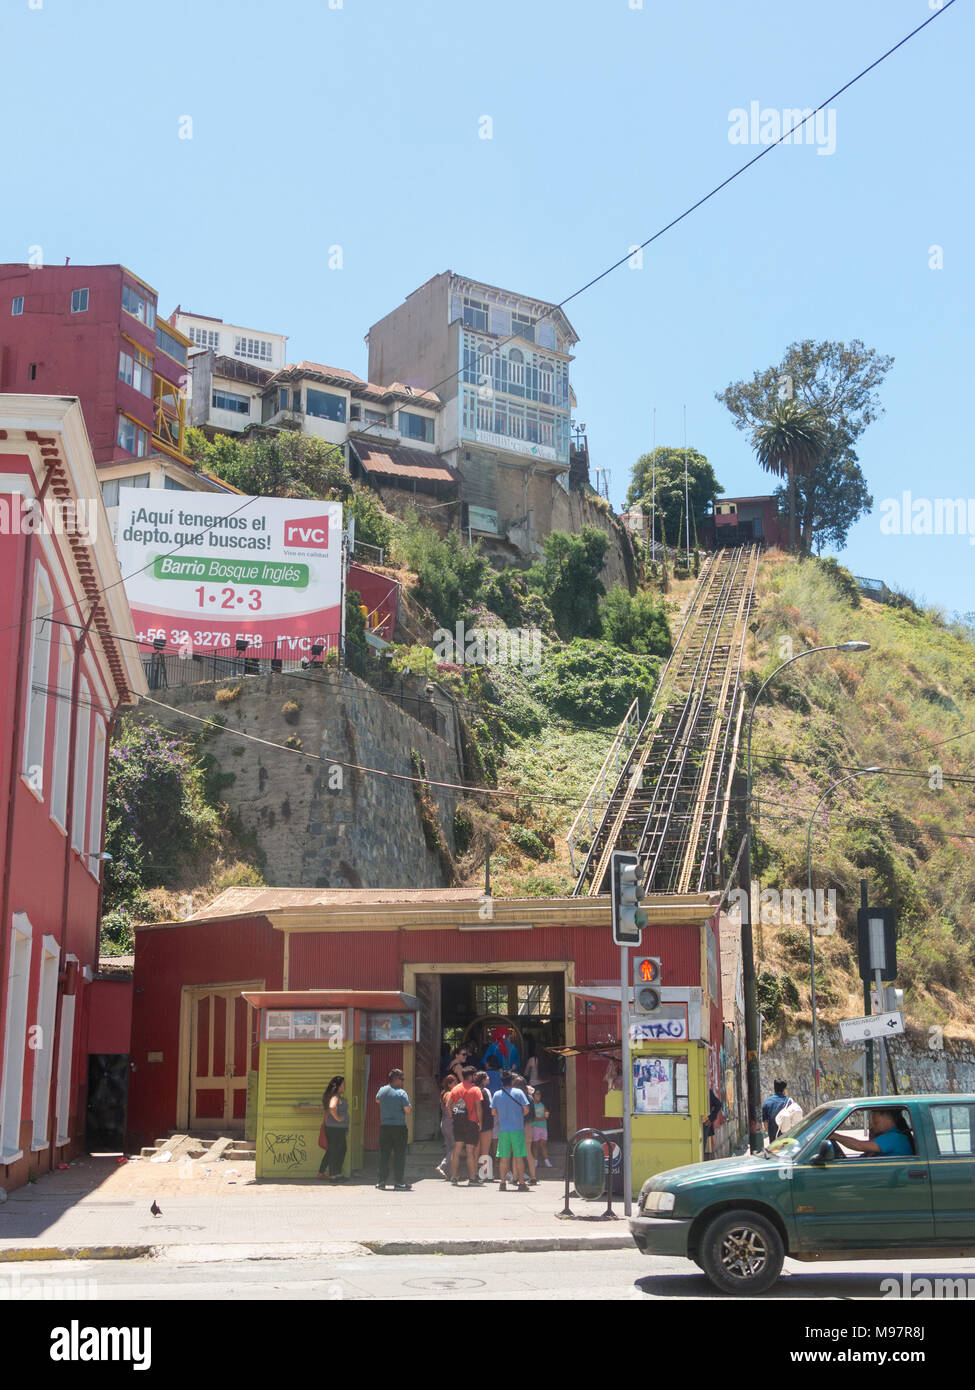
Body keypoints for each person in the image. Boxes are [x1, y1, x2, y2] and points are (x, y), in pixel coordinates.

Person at [491, 1069, 531, 1192]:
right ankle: (522, 1183)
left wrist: (503, 1116)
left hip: (503, 1130)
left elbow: (493, 1112)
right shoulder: (518, 1092)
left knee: (504, 1158)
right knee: (519, 1157)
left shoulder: (497, 1094)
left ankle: (502, 1183)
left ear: (501, 1082)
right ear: (511, 1081)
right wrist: (518, 1115)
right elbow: (526, 1110)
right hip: (517, 1129)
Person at [375, 1068, 412, 1191]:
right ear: (396, 1079)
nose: (402, 1081)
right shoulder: (402, 1093)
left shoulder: (382, 1090)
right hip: (399, 1127)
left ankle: (381, 1181)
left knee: (384, 1154)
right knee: (399, 1155)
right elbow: (407, 1110)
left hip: (385, 1127)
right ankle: (399, 1182)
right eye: (402, 1079)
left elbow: (377, 1100)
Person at [447, 1065, 483, 1186]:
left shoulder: (456, 1089)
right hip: (471, 1122)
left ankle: (453, 1177)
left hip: (458, 1122)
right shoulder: (475, 1090)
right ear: (471, 1076)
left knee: (456, 1150)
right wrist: (480, 1123)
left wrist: (453, 1116)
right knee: (470, 1151)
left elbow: (448, 1105)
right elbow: (478, 1108)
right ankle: (472, 1178)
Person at [828, 1108, 914, 1158]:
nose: (872, 1126)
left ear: (889, 1121)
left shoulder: (894, 1138)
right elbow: (868, 1155)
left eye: (876, 1123)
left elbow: (859, 1145)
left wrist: (835, 1136)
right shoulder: (890, 1136)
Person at [320, 1076, 349, 1181]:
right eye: (343, 1085)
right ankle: (334, 1175)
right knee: (337, 1151)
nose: (345, 1086)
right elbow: (332, 1107)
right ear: (338, 1086)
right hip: (335, 1128)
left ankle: (337, 1173)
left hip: (336, 1128)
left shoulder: (337, 1097)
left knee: (339, 1150)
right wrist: (338, 1118)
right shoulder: (335, 1097)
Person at [512, 1073, 538, 1184]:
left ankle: (515, 1177)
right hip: (528, 1126)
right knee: (528, 1152)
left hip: (517, 1126)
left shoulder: (515, 1097)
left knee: (515, 1154)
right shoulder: (530, 1098)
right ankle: (533, 1177)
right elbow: (533, 1115)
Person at [475, 1070, 494, 1176]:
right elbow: (491, 1107)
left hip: (475, 1122)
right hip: (486, 1122)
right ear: (483, 1080)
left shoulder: (474, 1090)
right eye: (487, 1076)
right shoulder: (486, 1091)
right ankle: (485, 1173)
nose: (488, 1078)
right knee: (485, 1149)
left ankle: (475, 1172)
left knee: (476, 1149)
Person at [436, 1075, 456, 1178]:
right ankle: (442, 1166)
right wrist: (452, 1116)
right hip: (450, 1123)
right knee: (455, 1147)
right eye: (454, 1082)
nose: (456, 1084)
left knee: (449, 1148)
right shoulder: (449, 1094)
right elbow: (449, 1106)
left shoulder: (443, 1093)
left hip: (444, 1123)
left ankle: (448, 1172)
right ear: (449, 1084)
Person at [762, 1078, 792, 1143]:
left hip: (773, 1140)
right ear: (784, 1089)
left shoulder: (767, 1103)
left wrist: (771, 1133)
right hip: (787, 1138)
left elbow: (765, 1124)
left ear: (774, 1088)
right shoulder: (789, 1102)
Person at [531, 1084, 551, 1166]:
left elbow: (546, 1111)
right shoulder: (531, 1105)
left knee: (543, 1144)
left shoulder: (542, 1104)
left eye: (539, 1094)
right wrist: (541, 1118)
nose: (539, 1095)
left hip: (543, 1127)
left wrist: (546, 1115)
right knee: (535, 1144)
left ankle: (546, 1160)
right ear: (533, 1095)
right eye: (537, 1094)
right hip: (535, 1127)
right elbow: (532, 1117)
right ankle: (535, 1160)